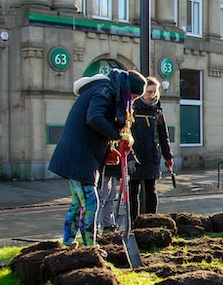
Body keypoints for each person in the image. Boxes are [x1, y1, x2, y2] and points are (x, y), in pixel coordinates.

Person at [48, 69, 146, 247]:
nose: (131, 102)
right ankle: (90, 248)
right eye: (133, 96)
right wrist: (118, 135)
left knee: (77, 203)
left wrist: (109, 148)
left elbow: (95, 123)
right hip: (80, 157)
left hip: (77, 155)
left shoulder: (103, 89)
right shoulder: (105, 91)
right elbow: (94, 118)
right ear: (127, 89)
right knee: (91, 203)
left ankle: (69, 241)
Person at [129, 77, 173, 220]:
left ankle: (151, 220)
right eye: (149, 92)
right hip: (135, 154)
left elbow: (163, 134)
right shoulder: (133, 107)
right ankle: (134, 221)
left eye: (154, 92)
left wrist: (168, 156)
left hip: (152, 154)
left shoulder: (157, 109)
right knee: (133, 190)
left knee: (151, 190)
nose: (152, 95)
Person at [97, 144, 122, 230]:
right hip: (104, 166)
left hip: (114, 167)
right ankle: (96, 226)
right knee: (102, 197)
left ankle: (108, 224)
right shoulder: (111, 132)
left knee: (110, 197)